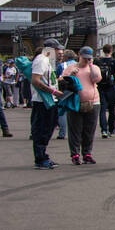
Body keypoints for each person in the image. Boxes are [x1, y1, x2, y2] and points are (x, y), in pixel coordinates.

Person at [65, 47, 101, 165]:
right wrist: (72, 75)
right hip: (75, 102)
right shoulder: (71, 68)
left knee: (89, 129)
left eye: (89, 58)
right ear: (79, 55)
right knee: (75, 129)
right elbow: (63, 81)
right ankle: (75, 154)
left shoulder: (94, 68)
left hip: (93, 102)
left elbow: (97, 79)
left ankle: (87, 153)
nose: (86, 60)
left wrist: (91, 66)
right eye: (84, 58)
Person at [29, 40, 62, 168]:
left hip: (49, 100)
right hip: (42, 101)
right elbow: (35, 80)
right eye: (57, 50)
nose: (59, 53)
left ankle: (42, 155)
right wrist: (53, 91)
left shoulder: (47, 61)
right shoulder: (41, 60)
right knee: (42, 129)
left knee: (49, 127)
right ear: (50, 49)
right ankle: (40, 158)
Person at [94, 45, 115, 138]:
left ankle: (104, 130)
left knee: (103, 109)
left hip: (100, 87)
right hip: (111, 87)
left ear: (103, 51)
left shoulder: (97, 61)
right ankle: (112, 129)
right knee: (112, 109)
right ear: (111, 50)